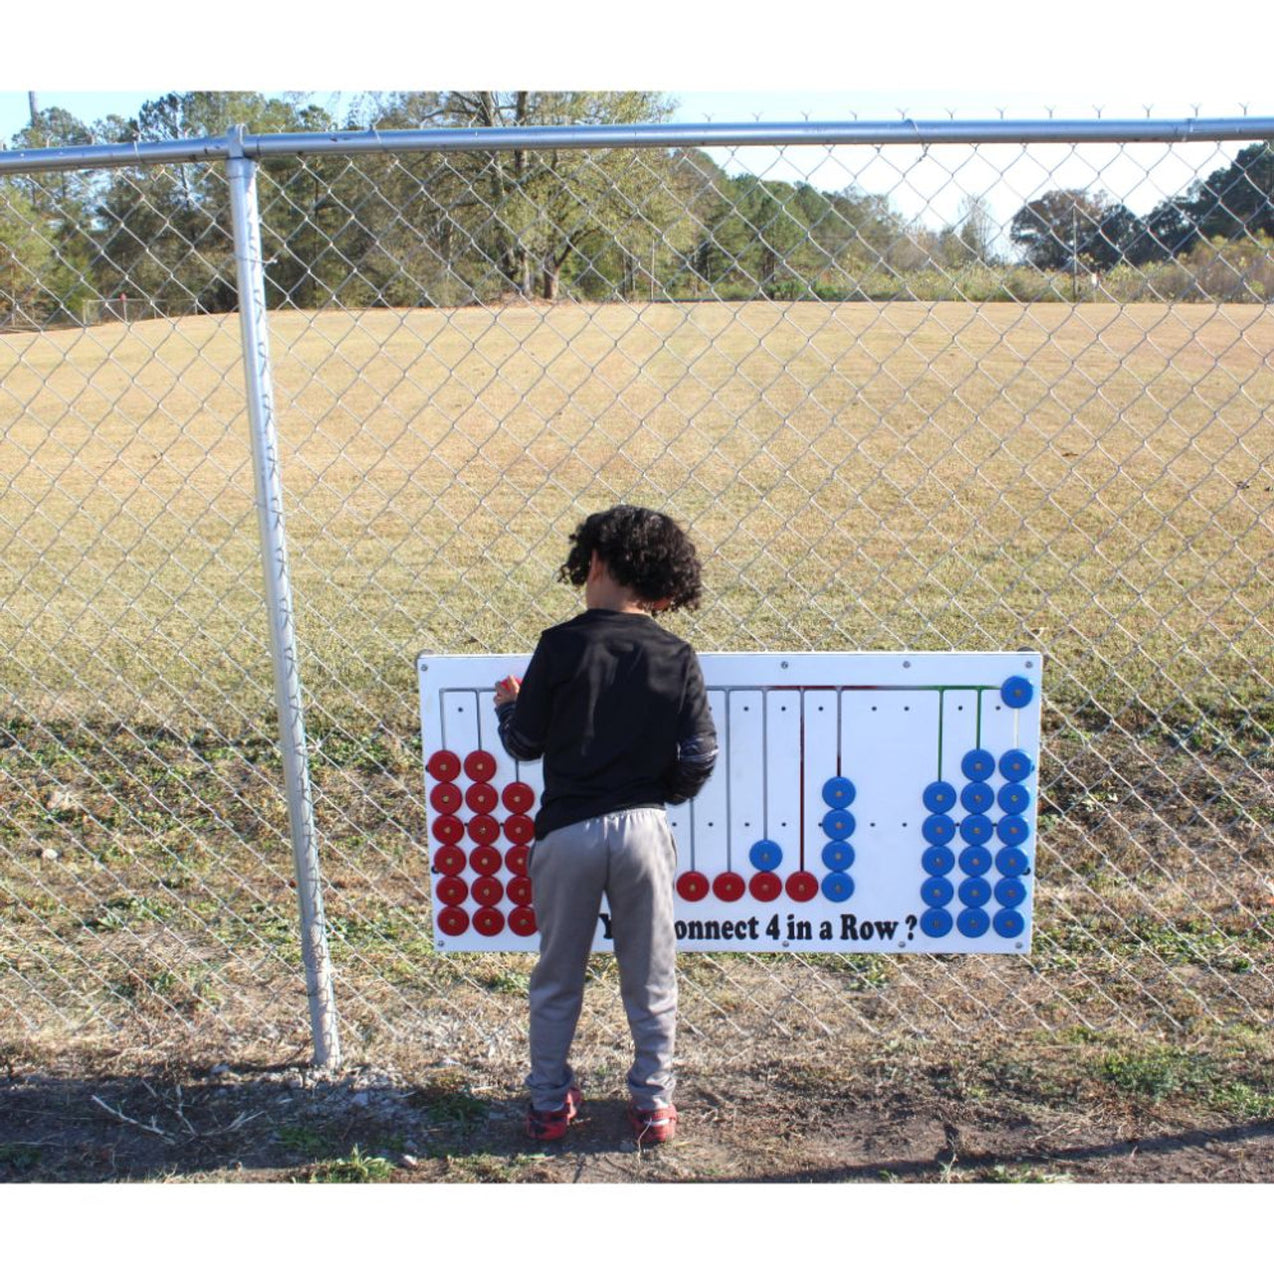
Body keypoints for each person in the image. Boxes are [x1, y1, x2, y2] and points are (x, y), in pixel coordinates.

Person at [494, 505, 717, 1146]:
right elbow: (701, 754)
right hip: (644, 830)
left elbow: (527, 744)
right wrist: (656, 797)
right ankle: (653, 1103)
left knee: (558, 973)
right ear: (661, 582)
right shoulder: (676, 654)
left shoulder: (560, 644)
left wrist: (509, 707)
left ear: (591, 562)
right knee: (650, 973)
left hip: (567, 833)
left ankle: (546, 1102)